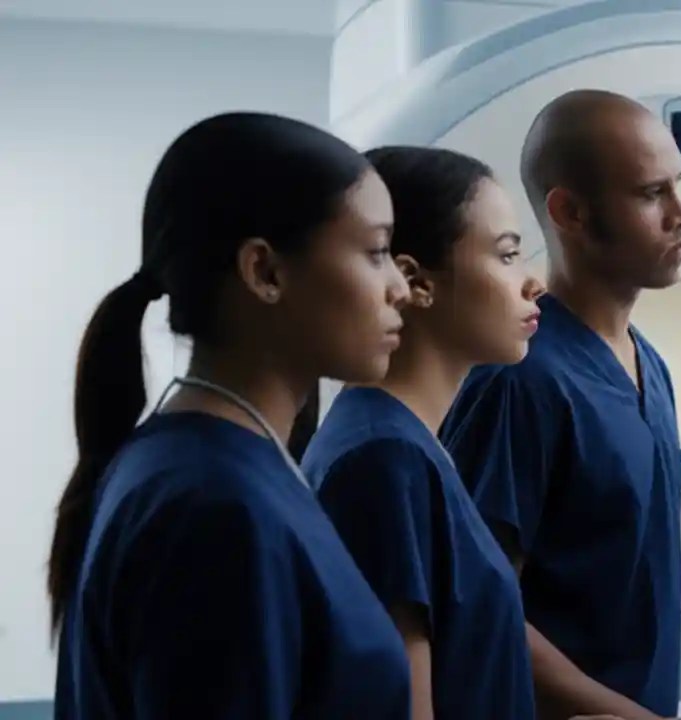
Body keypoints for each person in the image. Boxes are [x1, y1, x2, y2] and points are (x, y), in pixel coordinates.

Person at [48, 112, 413, 719]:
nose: (401, 286)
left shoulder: (214, 463)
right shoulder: (217, 505)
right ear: (265, 272)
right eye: (376, 252)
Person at [440, 89, 681, 720]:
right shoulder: (520, 381)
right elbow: (479, 610)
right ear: (571, 213)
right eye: (651, 194)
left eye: (680, 185)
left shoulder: (651, 366)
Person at [299, 146, 560, 720]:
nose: (533, 282)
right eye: (508, 255)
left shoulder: (405, 442)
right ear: (417, 281)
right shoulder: (384, 461)